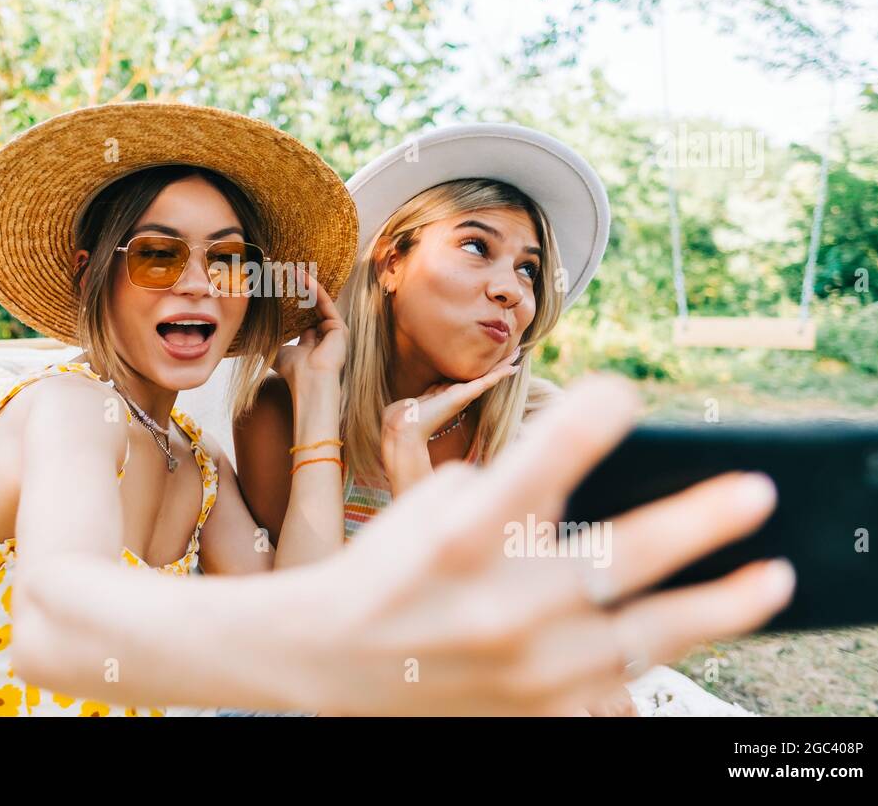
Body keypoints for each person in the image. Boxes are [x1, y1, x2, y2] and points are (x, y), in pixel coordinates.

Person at [0, 104, 794, 716]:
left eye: (230, 261)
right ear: (87, 273)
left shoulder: (198, 464)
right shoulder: (66, 409)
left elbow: (305, 611)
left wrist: (322, 395)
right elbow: (64, 609)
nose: (199, 284)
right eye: (157, 256)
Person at [231, 124, 635, 714]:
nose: (511, 291)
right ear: (392, 261)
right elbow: (315, 636)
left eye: (529, 269)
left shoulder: (537, 429)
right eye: (477, 247)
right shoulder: (279, 413)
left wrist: (410, 461)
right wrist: (319, 399)